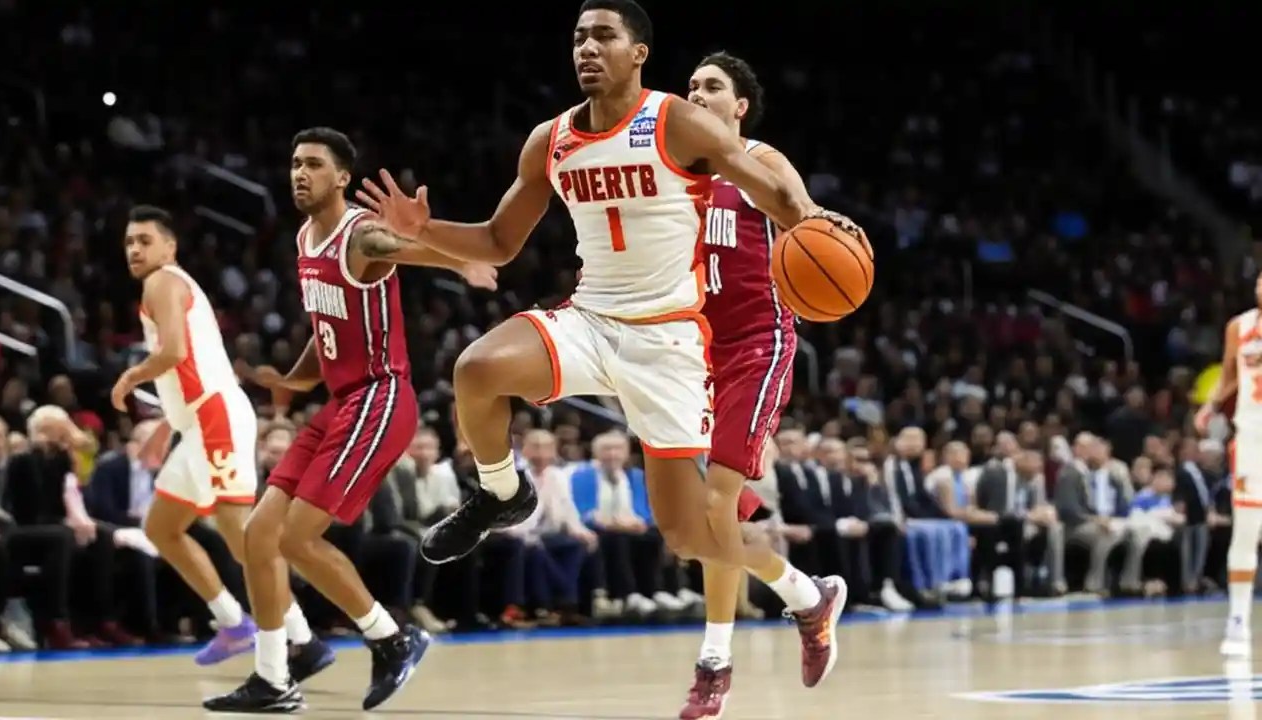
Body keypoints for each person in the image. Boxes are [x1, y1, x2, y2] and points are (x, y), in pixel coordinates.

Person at [357, 0, 862, 694]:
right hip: (591, 319)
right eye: (578, 38)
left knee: (692, 536)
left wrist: (815, 221)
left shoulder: (676, 121)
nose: (587, 48)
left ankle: (807, 595)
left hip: (670, 343)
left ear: (639, 53)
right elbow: (498, 242)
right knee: (477, 367)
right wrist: (424, 229)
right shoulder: (551, 139)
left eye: (603, 36)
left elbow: (774, 193)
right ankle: (501, 491)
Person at [204, 127, 495, 713]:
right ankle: (274, 677)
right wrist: (295, 379)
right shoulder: (304, 238)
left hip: (380, 398)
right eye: (295, 163)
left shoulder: (359, 234)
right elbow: (326, 328)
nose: (299, 173)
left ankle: (392, 638)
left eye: (313, 164)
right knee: (259, 534)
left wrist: (461, 260)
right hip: (340, 403)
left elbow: (401, 246)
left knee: (297, 537)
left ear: (342, 178)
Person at [679, 51, 860, 718]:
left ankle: (714, 665)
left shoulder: (759, 160)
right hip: (690, 355)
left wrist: (823, 222)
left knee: (716, 506)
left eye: (712, 86)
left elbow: (803, 213)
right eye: (690, 85)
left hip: (757, 346)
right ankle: (808, 597)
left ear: (739, 107)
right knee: (699, 524)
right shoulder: (675, 175)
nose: (696, 93)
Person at [109, 204, 332, 674]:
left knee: (242, 537)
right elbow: (187, 365)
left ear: (169, 247)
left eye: (145, 240)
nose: (134, 249)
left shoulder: (162, 281)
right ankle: (232, 623)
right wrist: (168, 424)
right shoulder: (172, 283)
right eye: (128, 242)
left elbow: (173, 351)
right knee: (161, 528)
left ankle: (302, 640)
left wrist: (130, 376)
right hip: (199, 423)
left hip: (215, 419)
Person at [1195, 273, 1262, 658]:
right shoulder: (1239, 327)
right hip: (1252, 437)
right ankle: (1238, 621)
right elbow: (1228, 376)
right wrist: (1211, 405)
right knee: (1246, 530)